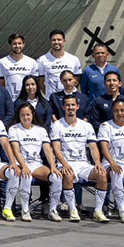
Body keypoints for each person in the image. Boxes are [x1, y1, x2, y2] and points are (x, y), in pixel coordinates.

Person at [49, 94, 109, 223]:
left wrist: (98, 163)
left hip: (83, 164)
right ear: (63, 107)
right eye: (67, 105)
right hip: (65, 163)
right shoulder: (57, 125)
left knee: (102, 175)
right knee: (68, 175)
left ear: (77, 107)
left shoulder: (86, 126)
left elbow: (93, 147)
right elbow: (56, 148)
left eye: (73, 105)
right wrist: (64, 164)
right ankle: (72, 209)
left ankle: (98, 211)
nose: (70, 107)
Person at [6, 102, 57, 222]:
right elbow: (15, 150)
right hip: (21, 163)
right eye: (22, 115)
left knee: (56, 177)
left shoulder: (41, 130)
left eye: (28, 114)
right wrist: (23, 166)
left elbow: (47, 149)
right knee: (26, 176)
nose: (25, 117)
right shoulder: (14, 129)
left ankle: (53, 210)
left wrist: (53, 166)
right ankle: (25, 209)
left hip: (37, 164)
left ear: (33, 114)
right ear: (19, 116)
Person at [38, 30, 81, 96]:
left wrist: (69, 91)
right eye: (53, 40)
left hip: (69, 100)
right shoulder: (42, 60)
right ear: (50, 42)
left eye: (59, 40)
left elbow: (77, 80)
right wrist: (49, 96)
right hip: (51, 101)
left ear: (64, 42)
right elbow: (40, 82)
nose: (56, 42)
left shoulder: (74, 59)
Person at [0, 34, 39, 100]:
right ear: (10, 45)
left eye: (19, 43)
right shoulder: (2, 62)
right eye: (14, 44)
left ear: (23, 45)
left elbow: (35, 84)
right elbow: (1, 83)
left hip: (27, 100)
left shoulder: (32, 62)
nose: (17, 46)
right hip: (10, 100)